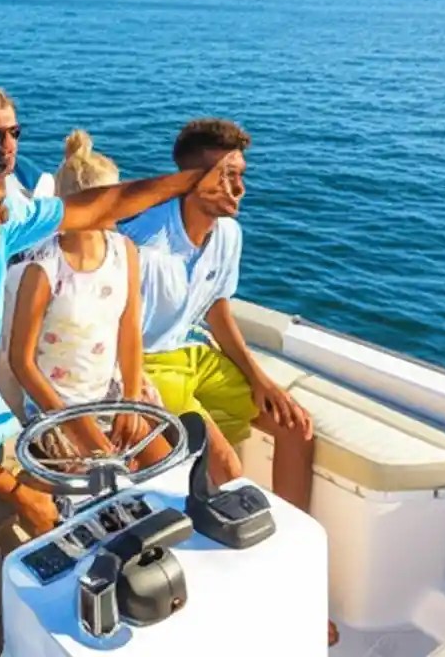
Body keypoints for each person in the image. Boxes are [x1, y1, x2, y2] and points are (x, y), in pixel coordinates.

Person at [0, 118, 237, 655]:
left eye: (2, 204)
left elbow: (102, 207)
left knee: (51, 562)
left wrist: (189, 181)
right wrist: (17, 492)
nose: (4, 217)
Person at [118, 118, 338, 646]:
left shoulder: (229, 234)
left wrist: (260, 378)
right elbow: (117, 329)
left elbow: (216, 309)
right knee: (227, 468)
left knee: (295, 428)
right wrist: (133, 391)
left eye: (242, 174)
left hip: (196, 353)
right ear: (193, 179)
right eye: (228, 175)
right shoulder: (144, 244)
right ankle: (262, 594)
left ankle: (291, 572)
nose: (241, 188)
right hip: (148, 364)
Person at [7, 129, 241, 481]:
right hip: (59, 408)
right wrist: (82, 432)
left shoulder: (124, 251)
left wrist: (131, 401)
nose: (122, 211)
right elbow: (21, 363)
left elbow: (129, 329)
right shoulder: (44, 270)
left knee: (171, 476)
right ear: (85, 207)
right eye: (112, 201)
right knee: (110, 485)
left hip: (116, 394)